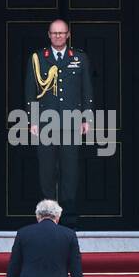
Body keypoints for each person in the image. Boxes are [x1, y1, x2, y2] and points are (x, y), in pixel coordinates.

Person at [25, 18, 94, 228]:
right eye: (54, 33)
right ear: (49, 35)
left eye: (61, 33)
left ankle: (69, 216)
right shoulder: (38, 58)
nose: (58, 36)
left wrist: (86, 118)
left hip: (71, 123)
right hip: (46, 123)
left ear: (68, 35)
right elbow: (30, 91)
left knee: (70, 170)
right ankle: (47, 216)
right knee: (46, 170)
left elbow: (87, 90)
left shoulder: (79, 58)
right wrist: (32, 119)